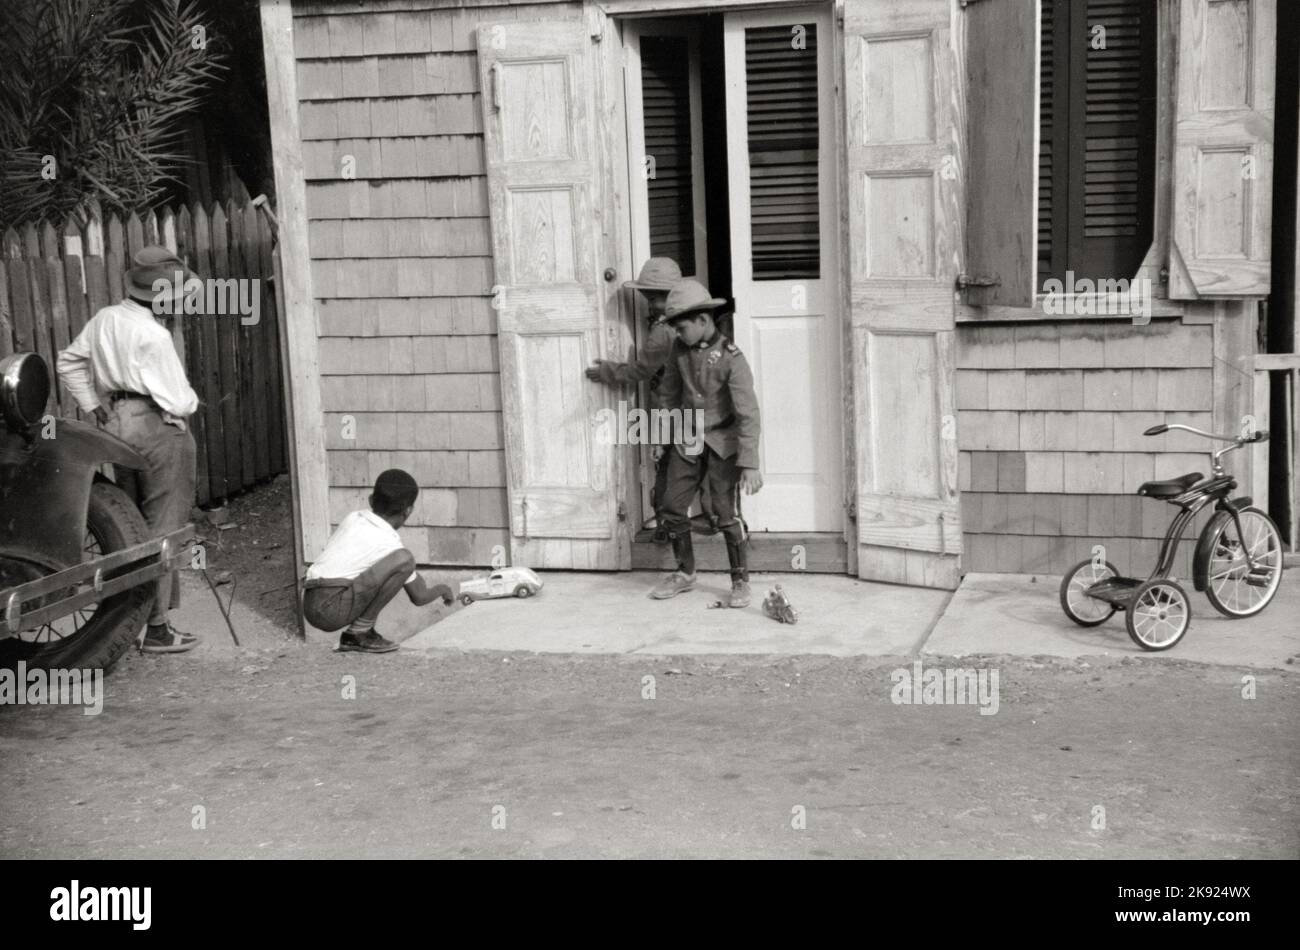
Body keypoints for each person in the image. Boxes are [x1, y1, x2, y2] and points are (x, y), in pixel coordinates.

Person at [57, 245, 202, 653]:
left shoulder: (105, 319)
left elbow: (67, 361)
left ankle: (134, 622)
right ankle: (157, 627)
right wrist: (186, 406)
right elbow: (179, 400)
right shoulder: (154, 335)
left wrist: (94, 405)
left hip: (117, 424)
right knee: (163, 529)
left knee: (130, 528)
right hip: (158, 424)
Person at [651, 279, 762, 608]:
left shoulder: (731, 358)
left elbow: (748, 414)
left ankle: (739, 578)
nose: (678, 334)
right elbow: (668, 395)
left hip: (721, 442)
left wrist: (750, 462)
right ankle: (685, 572)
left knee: (724, 514)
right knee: (671, 505)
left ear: (702, 321)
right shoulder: (679, 351)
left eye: (682, 327)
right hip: (687, 439)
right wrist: (659, 438)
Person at [303, 469, 454, 654]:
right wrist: (443, 589)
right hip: (330, 609)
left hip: (310, 601)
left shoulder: (354, 518)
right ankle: (359, 633)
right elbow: (419, 596)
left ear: (371, 500)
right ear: (408, 511)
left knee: (402, 560)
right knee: (404, 559)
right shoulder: (389, 543)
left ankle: (360, 632)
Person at [585, 257, 681, 535]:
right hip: (690, 409)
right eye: (649, 297)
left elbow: (641, 370)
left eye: (657, 298)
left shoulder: (663, 333)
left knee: (666, 468)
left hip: (669, 411)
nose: (652, 304)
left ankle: (667, 526)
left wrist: (608, 371)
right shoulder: (684, 325)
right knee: (688, 466)